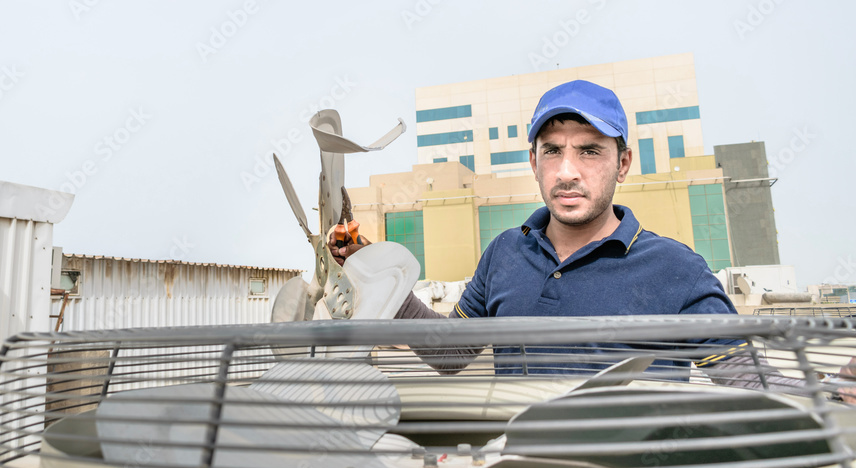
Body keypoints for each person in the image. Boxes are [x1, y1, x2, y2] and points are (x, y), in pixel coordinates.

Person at [331, 80, 798, 390]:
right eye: (552, 151)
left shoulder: (676, 269)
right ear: (534, 163)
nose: (567, 171)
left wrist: (835, 394)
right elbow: (452, 351)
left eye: (590, 150)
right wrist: (378, 272)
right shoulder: (505, 254)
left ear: (623, 163)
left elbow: (748, 376)